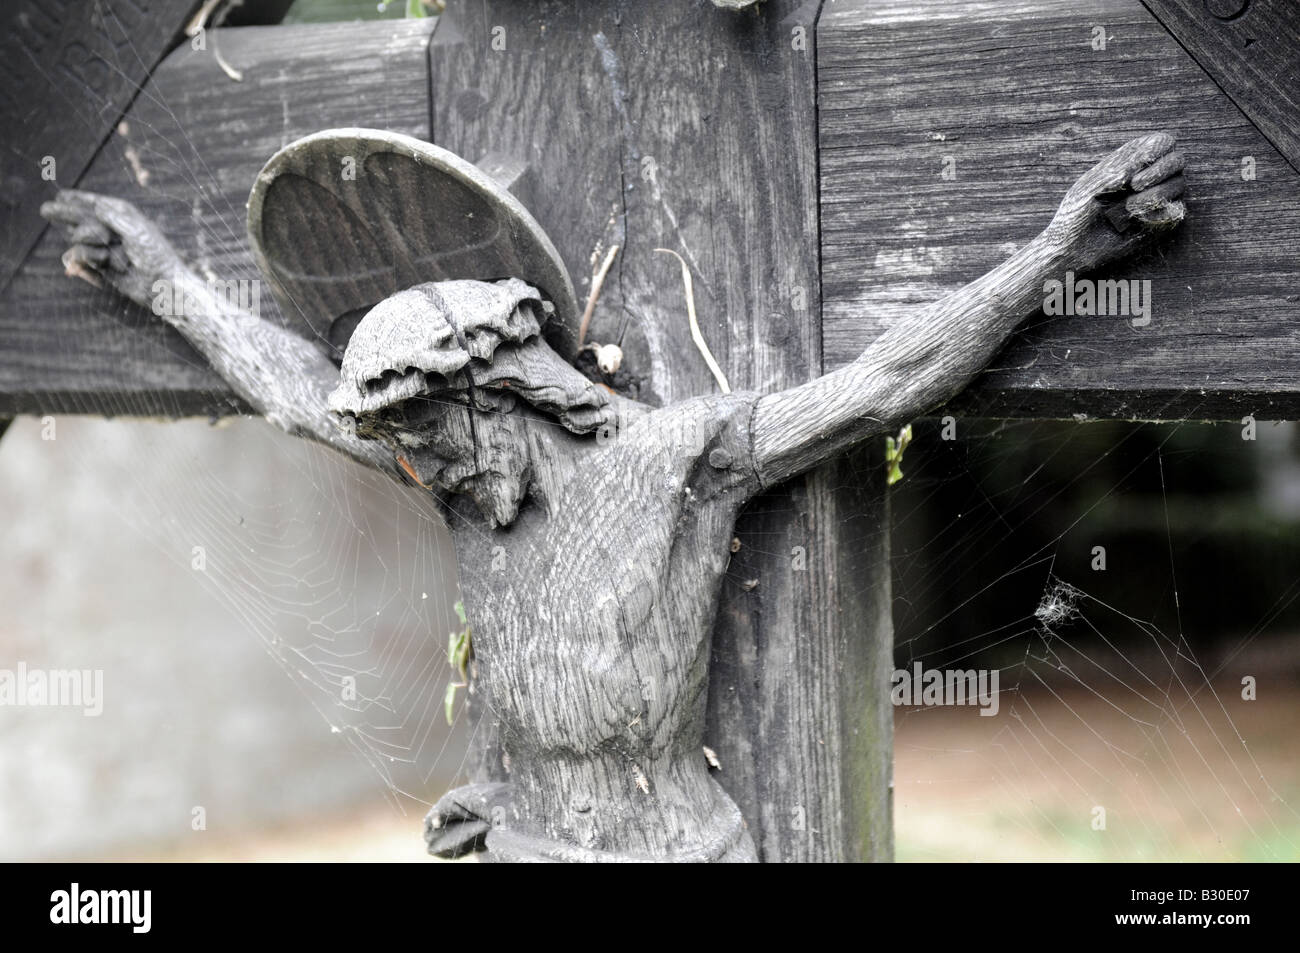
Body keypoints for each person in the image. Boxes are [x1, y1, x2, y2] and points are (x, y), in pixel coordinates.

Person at [42, 131, 1186, 862]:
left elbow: (881, 385)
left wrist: (1058, 251)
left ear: (497, 393)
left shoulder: (674, 462)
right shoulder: (461, 488)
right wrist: (163, 283)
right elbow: (295, 395)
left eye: (428, 437)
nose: (419, 469)